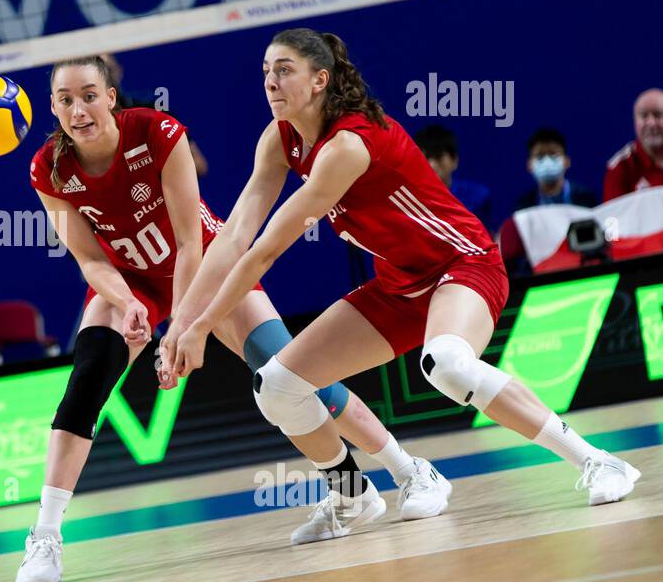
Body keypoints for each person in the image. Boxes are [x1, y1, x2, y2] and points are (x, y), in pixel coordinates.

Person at [162, 28, 640, 524]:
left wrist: (200, 329)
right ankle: (367, 489)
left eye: (284, 70)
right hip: (400, 285)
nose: (271, 82)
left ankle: (599, 462)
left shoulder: (348, 145)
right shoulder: (279, 140)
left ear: (320, 80)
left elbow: (263, 253)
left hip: (464, 264)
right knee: (277, 388)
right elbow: (235, 236)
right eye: (266, 71)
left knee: (448, 364)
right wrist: (181, 323)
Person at [15, 55, 446, 582]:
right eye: (64, 100)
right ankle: (45, 538)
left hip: (204, 263)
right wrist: (127, 303)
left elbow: (190, 242)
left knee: (290, 369)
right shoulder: (48, 168)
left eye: (88, 95)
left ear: (109, 97)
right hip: (132, 278)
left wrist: (179, 330)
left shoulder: (157, 131)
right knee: (87, 379)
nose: (77, 109)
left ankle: (409, 471)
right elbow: (89, 259)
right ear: (52, 107)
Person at [412, 124, 494, 232]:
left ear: (454, 160)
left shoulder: (478, 198)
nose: (432, 165)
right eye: (426, 158)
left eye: (439, 157)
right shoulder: (406, 200)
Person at [514, 127, 598, 212]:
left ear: (566, 161)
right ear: (529, 165)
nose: (547, 161)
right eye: (540, 156)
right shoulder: (523, 207)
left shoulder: (586, 199)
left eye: (553, 154)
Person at [603, 88, 663, 200]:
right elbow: (614, 216)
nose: (651, 123)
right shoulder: (621, 166)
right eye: (644, 116)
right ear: (635, 122)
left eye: (657, 115)